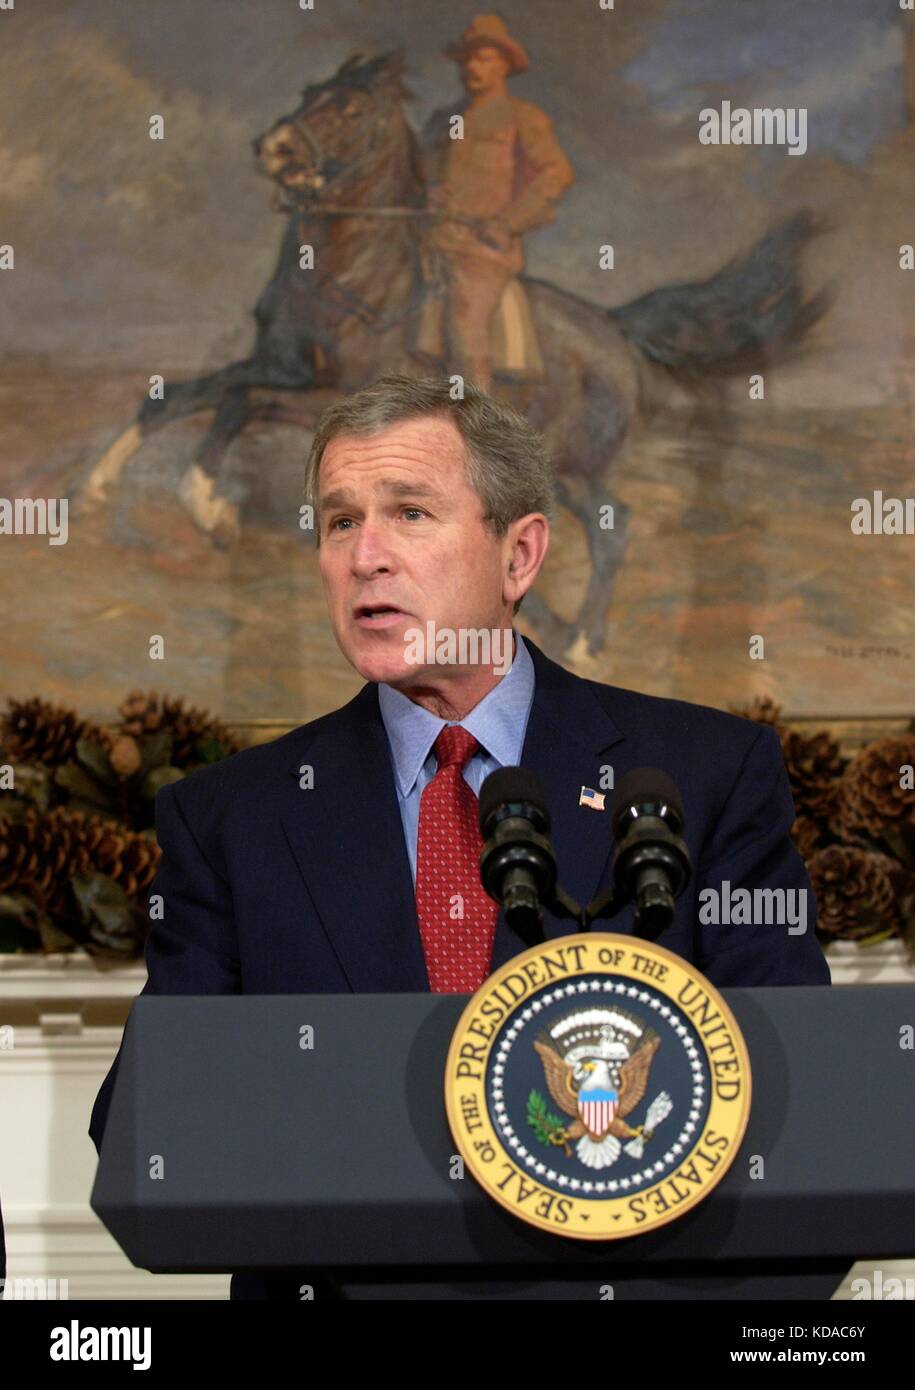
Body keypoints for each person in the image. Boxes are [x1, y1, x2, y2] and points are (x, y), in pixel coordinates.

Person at [89, 373, 829, 1298]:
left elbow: (800, 1111)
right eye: (336, 522)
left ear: (518, 556)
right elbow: (148, 1129)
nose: (365, 557)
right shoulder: (233, 819)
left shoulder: (704, 776)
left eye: (409, 513)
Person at [414, 14, 574, 389]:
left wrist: (506, 224)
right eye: (468, 59)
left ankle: (474, 425)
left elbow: (557, 173)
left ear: (504, 65)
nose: (473, 67)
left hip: (481, 249)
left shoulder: (522, 118)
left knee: (464, 322)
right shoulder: (442, 121)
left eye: (484, 58)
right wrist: (429, 191)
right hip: (430, 241)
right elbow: (423, 173)